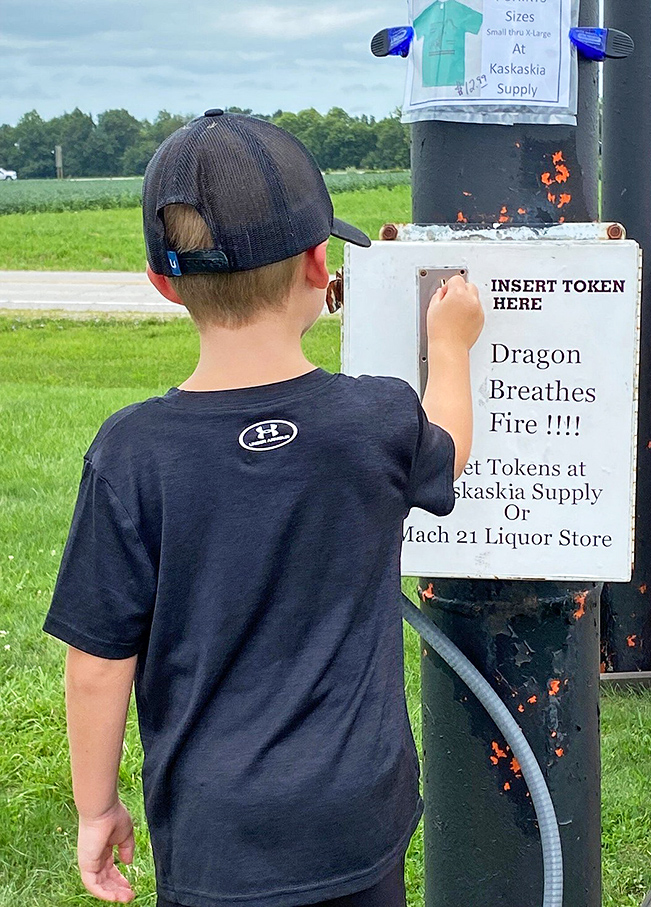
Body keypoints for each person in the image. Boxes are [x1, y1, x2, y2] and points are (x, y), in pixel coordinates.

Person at [43, 109, 484, 907]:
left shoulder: (132, 452)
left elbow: (98, 662)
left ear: (163, 283)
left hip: (215, 840)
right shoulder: (376, 419)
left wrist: (96, 805)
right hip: (356, 821)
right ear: (321, 264)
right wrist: (451, 343)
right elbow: (450, 442)